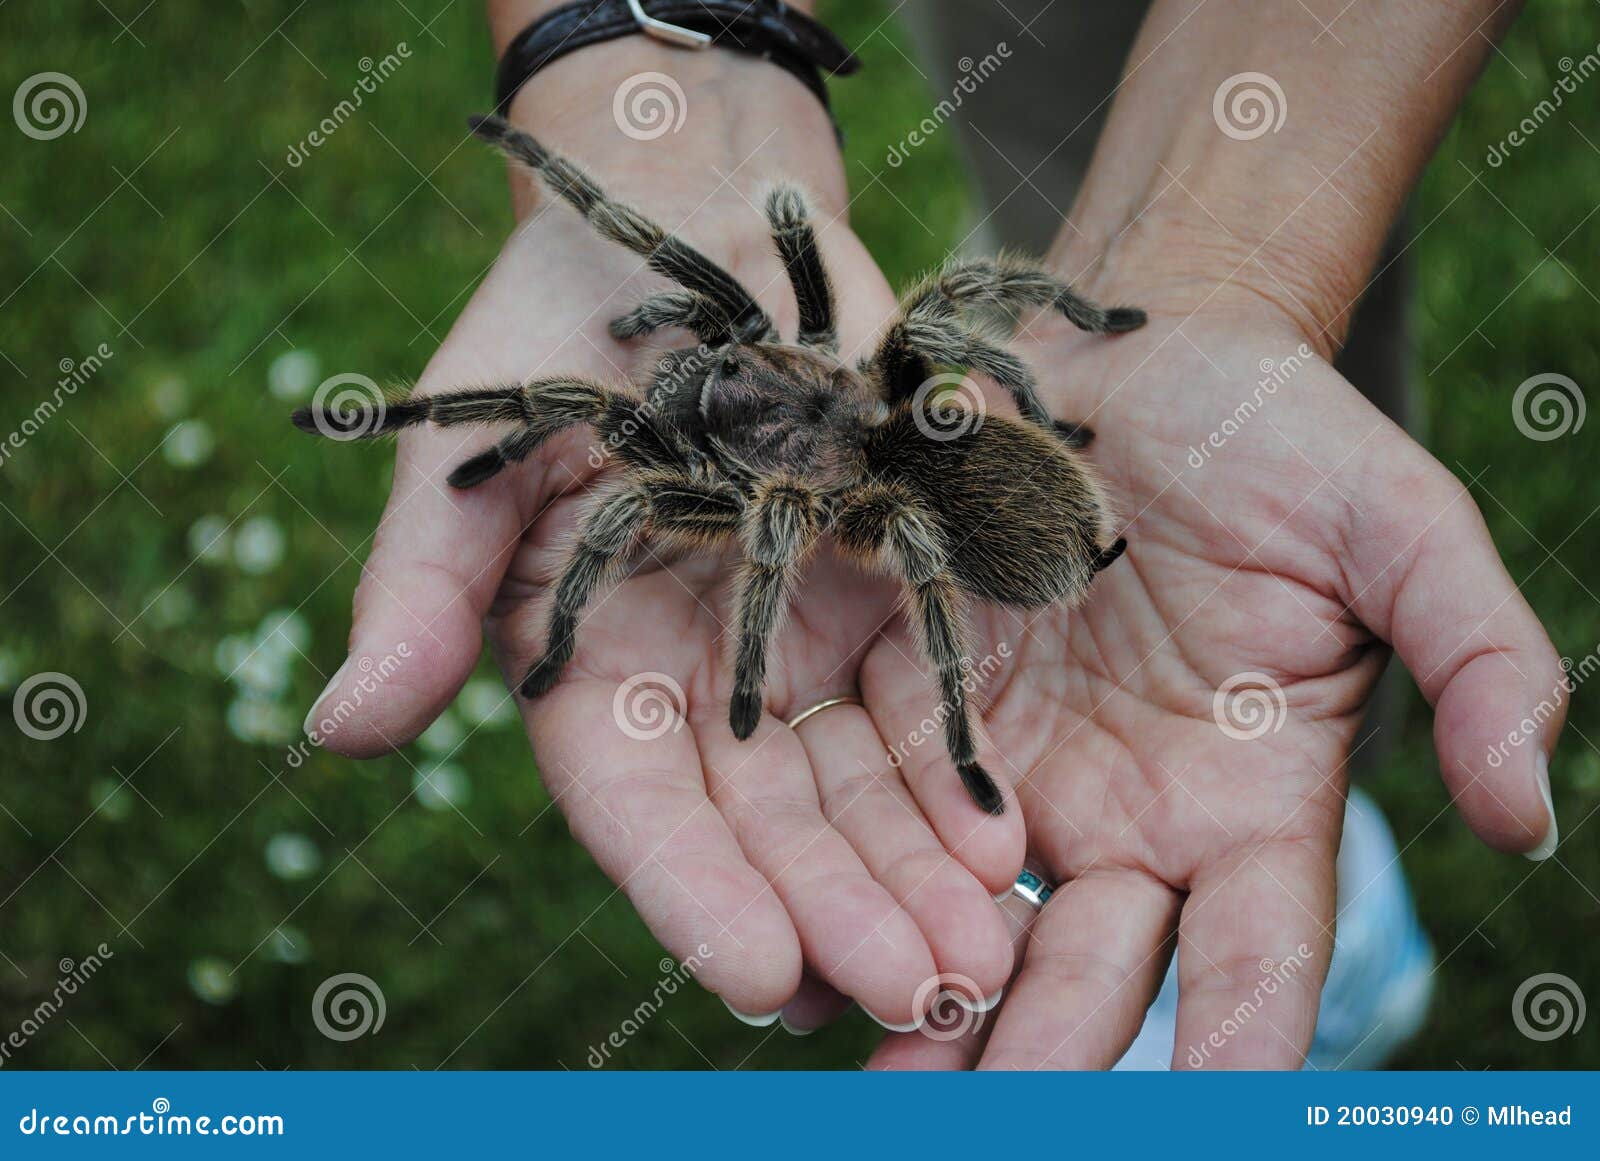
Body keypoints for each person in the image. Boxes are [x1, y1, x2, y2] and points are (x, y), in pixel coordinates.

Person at [303, 0, 1563, 1068]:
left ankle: (1252, 870)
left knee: (811, 448)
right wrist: (639, 105)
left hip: (932, 502)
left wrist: (1203, 292)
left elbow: (695, 485)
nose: (700, 362)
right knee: (1018, 160)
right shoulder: (823, 360)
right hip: (902, 445)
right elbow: (765, 257)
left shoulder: (770, 485)